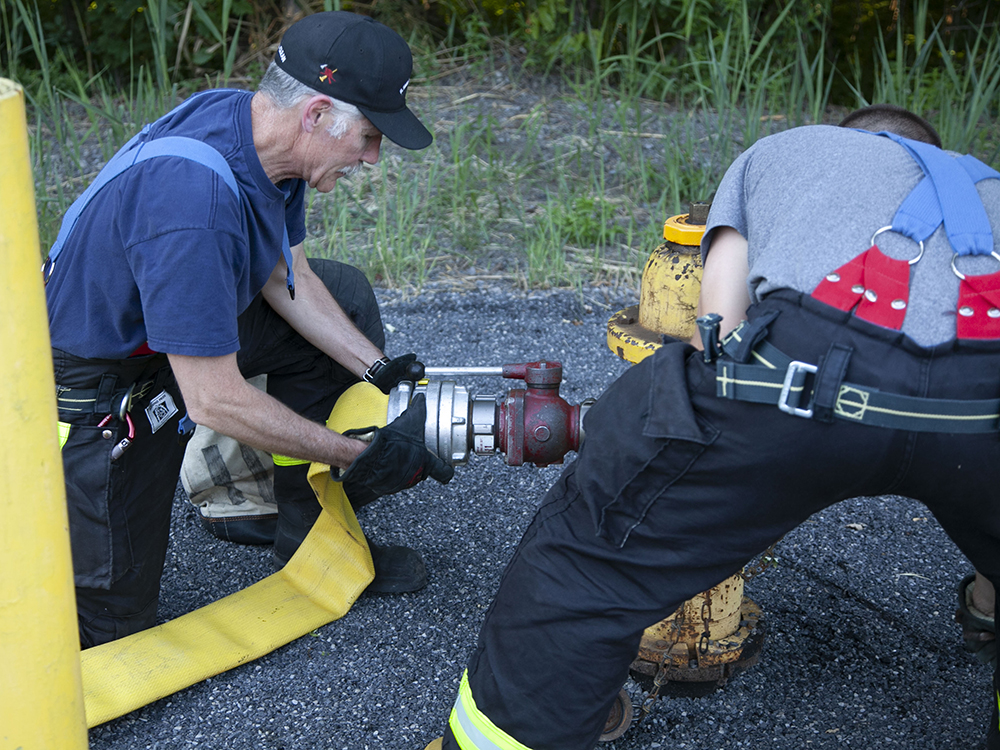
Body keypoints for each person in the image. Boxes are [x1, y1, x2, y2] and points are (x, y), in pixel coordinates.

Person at [425, 104, 1000, 750]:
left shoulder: (786, 153)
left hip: (811, 360)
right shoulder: (990, 188)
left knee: (588, 559)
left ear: (845, 143)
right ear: (936, 151)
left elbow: (718, 333)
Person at [46, 10, 453, 649]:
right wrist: (355, 453)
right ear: (317, 114)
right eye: (370, 136)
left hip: (170, 337)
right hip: (103, 384)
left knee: (342, 297)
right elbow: (213, 397)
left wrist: (374, 367)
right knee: (112, 629)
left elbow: (284, 273)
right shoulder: (194, 206)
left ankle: (303, 530)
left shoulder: (258, 134)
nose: (372, 158)